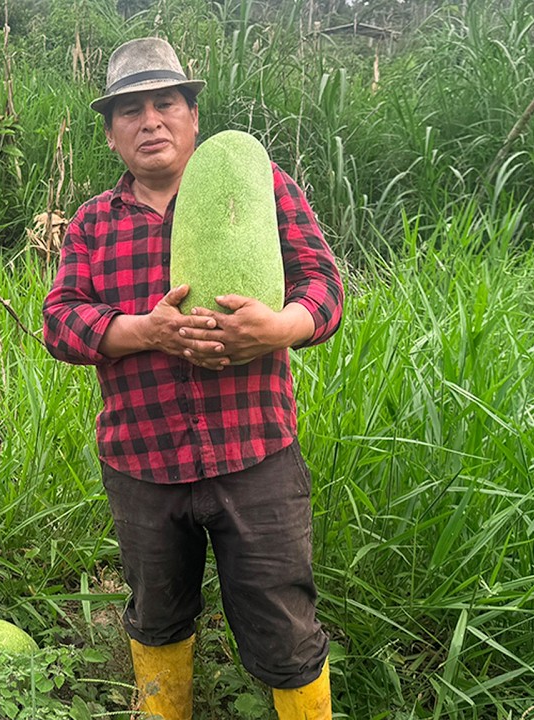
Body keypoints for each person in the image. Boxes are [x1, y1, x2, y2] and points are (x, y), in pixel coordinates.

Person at [42, 37, 343, 720]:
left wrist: (282, 327)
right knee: (156, 613)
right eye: (130, 112)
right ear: (112, 135)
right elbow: (59, 323)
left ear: (193, 116)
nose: (150, 122)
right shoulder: (93, 224)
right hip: (143, 462)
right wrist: (140, 331)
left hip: (255, 454)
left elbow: (324, 285)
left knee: (285, 624)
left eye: (165, 103)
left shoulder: (259, 187)